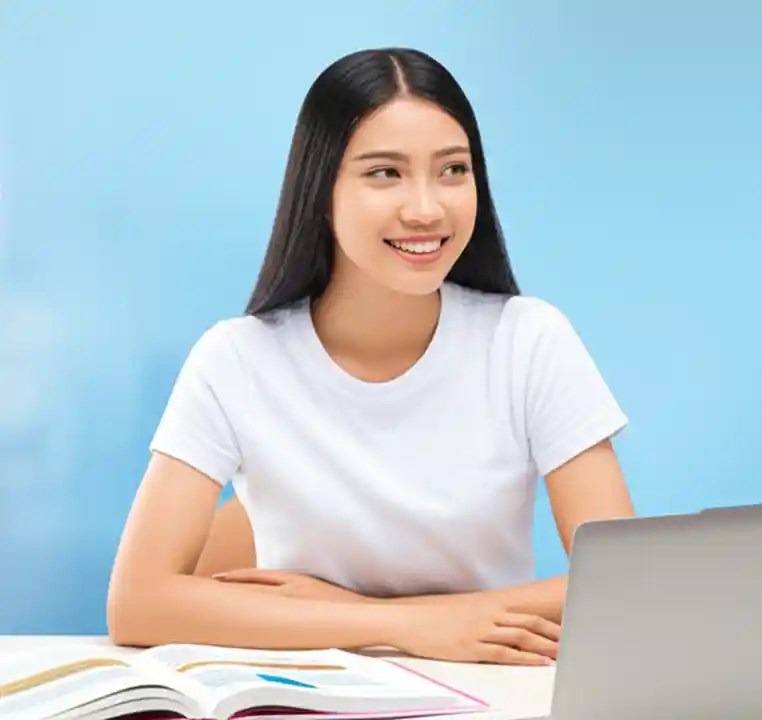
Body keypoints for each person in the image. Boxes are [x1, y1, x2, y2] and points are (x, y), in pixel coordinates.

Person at [106, 47, 635, 667]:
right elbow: (138, 604)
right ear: (320, 191)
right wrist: (401, 627)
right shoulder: (236, 359)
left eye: (453, 170)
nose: (426, 208)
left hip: (494, 687)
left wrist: (372, 619)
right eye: (385, 173)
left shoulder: (527, 341)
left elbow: (625, 584)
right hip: (304, 692)